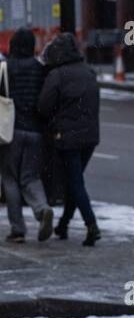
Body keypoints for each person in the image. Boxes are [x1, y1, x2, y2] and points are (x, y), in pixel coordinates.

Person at [37, 32, 101, 247]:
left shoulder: (57, 75)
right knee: (75, 182)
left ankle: (91, 225)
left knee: (74, 182)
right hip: (90, 137)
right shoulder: (89, 72)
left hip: (67, 136)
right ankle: (63, 224)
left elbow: (44, 107)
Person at [0, 28, 53, 244]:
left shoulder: (6, 68)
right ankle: (42, 209)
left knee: (10, 178)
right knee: (30, 176)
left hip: (9, 131)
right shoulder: (40, 69)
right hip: (35, 131)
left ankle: (18, 229)